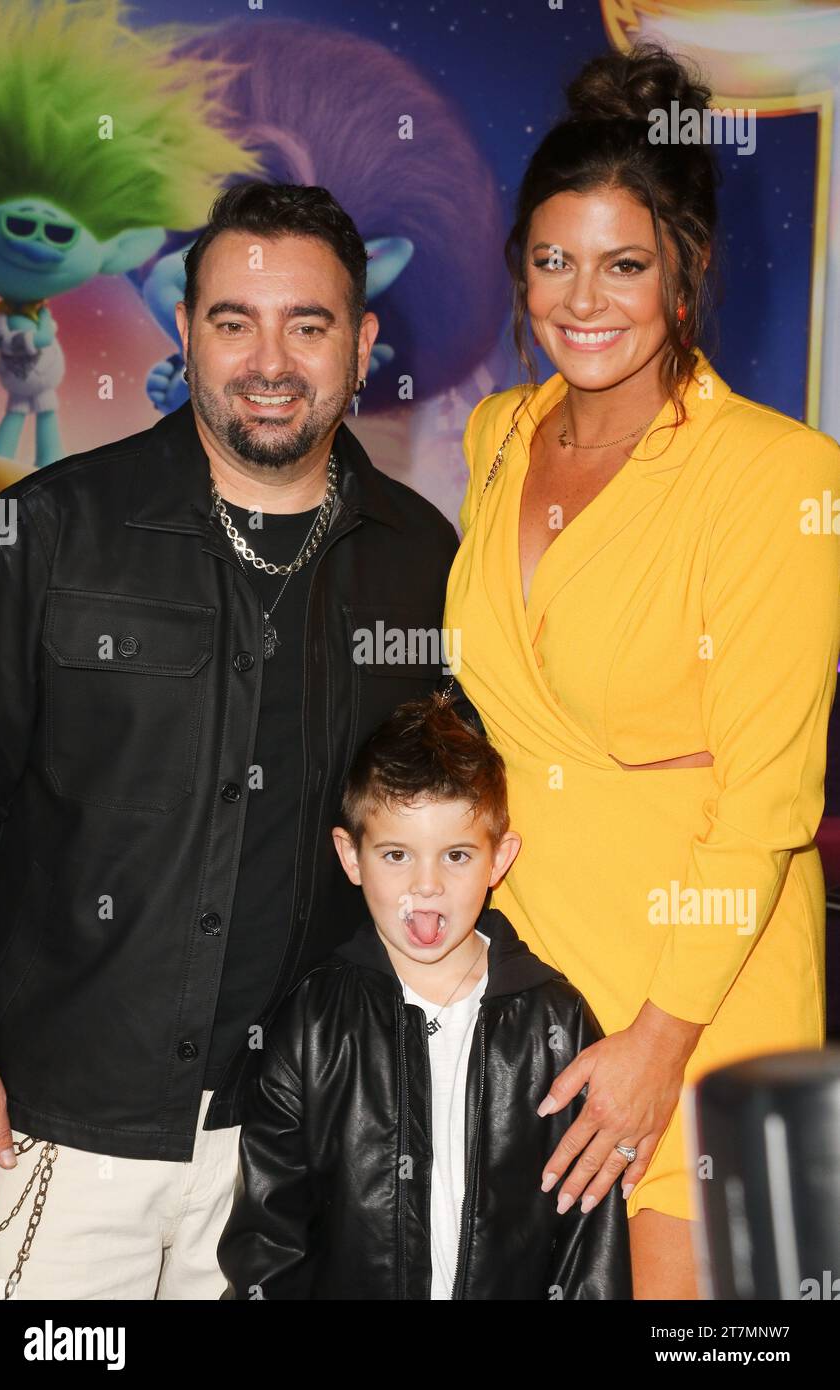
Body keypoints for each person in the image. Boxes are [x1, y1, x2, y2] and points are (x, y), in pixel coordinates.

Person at [0, 181, 465, 1298]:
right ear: (186, 329)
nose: (269, 360)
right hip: (54, 1129)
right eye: (233, 320)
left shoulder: (420, 560)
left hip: (289, 1145)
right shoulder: (49, 530)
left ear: (360, 341)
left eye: (309, 323)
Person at [443, 42, 840, 1299]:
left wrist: (659, 1044)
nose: (582, 299)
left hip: (700, 1011)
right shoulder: (494, 435)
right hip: (531, 997)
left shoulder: (778, 476)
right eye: (553, 260)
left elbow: (770, 798)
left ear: (686, 272)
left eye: (624, 264)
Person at [216, 695, 632, 1299]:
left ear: (500, 859)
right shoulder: (314, 1022)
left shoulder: (557, 1022)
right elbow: (269, 1237)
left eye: (457, 855)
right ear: (350, 857)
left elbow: (590, 1243)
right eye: (396, 855)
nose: (426, 885)